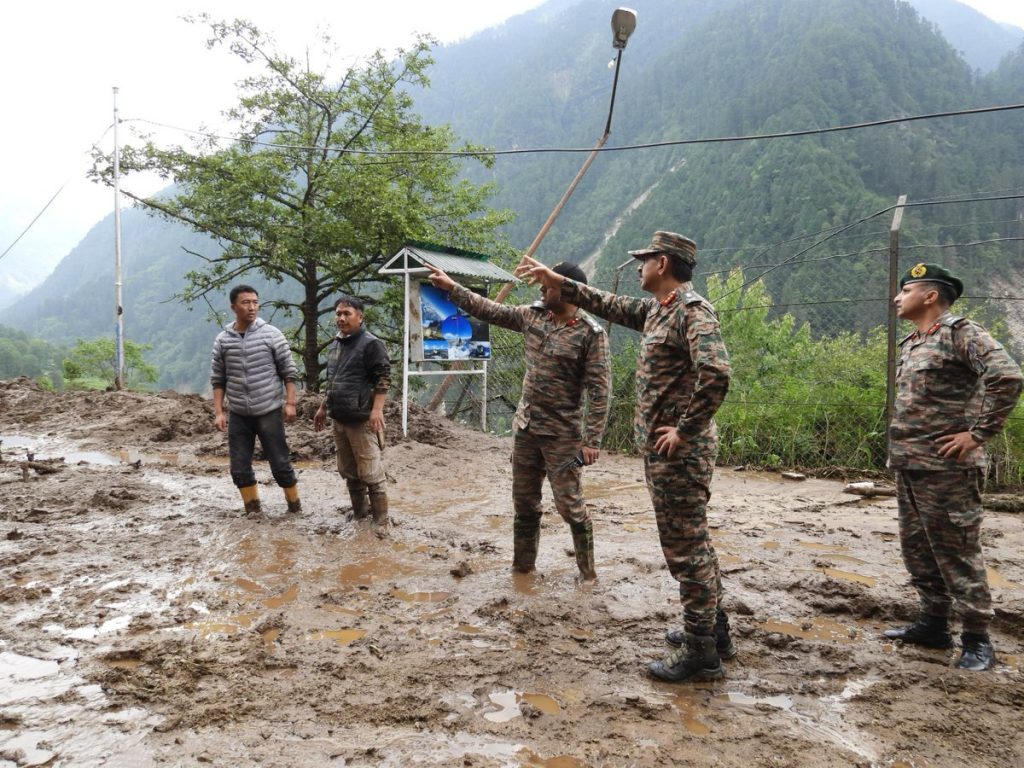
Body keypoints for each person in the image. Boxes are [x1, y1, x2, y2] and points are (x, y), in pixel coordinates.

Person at [517, 231, 732, 683]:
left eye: (645, 259)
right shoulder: (659, 310)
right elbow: (607, 304)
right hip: (664, 452)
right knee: (693, 544)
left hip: (679, 453)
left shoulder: (692, 312)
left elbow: (716, 372)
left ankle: (701, 653)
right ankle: (713, 630)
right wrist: (559, 280)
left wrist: (685, 429)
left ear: (664, 264)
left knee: (685, 550)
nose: (638, 266)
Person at [426, 262, 610, 581]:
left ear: (567, 289)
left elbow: (600, 390)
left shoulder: (590, 333)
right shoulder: (532, 315)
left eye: (548, 285)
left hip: (563, 436)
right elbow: (490, 310)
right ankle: (523, 569)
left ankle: (588, 574)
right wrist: (452, 288)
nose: (541, 289)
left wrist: (592, 441)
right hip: (526, 430)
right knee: (524, 504)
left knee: (571, 507)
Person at [884, 263, 1022, 671]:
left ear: (930, 296)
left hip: (949, 467)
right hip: (912, 462)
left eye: (905, 290)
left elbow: (1008, 377)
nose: (897, 297)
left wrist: (977, 435)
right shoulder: (913, 342)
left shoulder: (961, 333)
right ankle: (933, 624)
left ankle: (978, 639)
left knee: (957, 552)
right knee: (919, 549)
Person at [211, 284, 301, 517]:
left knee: (280, 463)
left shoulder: (271, 334)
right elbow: (218, 378)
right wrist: (219, 411)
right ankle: (253, 509)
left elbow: (288, 372)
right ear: (233, 307)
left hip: (269, 409)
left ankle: (294, 506)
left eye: (254, 302)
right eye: (245, 302)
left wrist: (290, 403)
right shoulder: (223, 340)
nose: (251, 307)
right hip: (239, 412)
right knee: (239, 466)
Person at [314, 295, 392, 532]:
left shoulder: (371, 344)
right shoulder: (337, 343)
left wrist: (376, 410)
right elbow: (333, 380)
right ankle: (360, 514)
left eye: (347, 313)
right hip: (339, 417)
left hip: (362, 419)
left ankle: (381, 521)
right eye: (338, 313)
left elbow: (384, 377)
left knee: (371, 472)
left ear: (360, 316)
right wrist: (323, 407)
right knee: (349, 470)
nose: (341, 318)